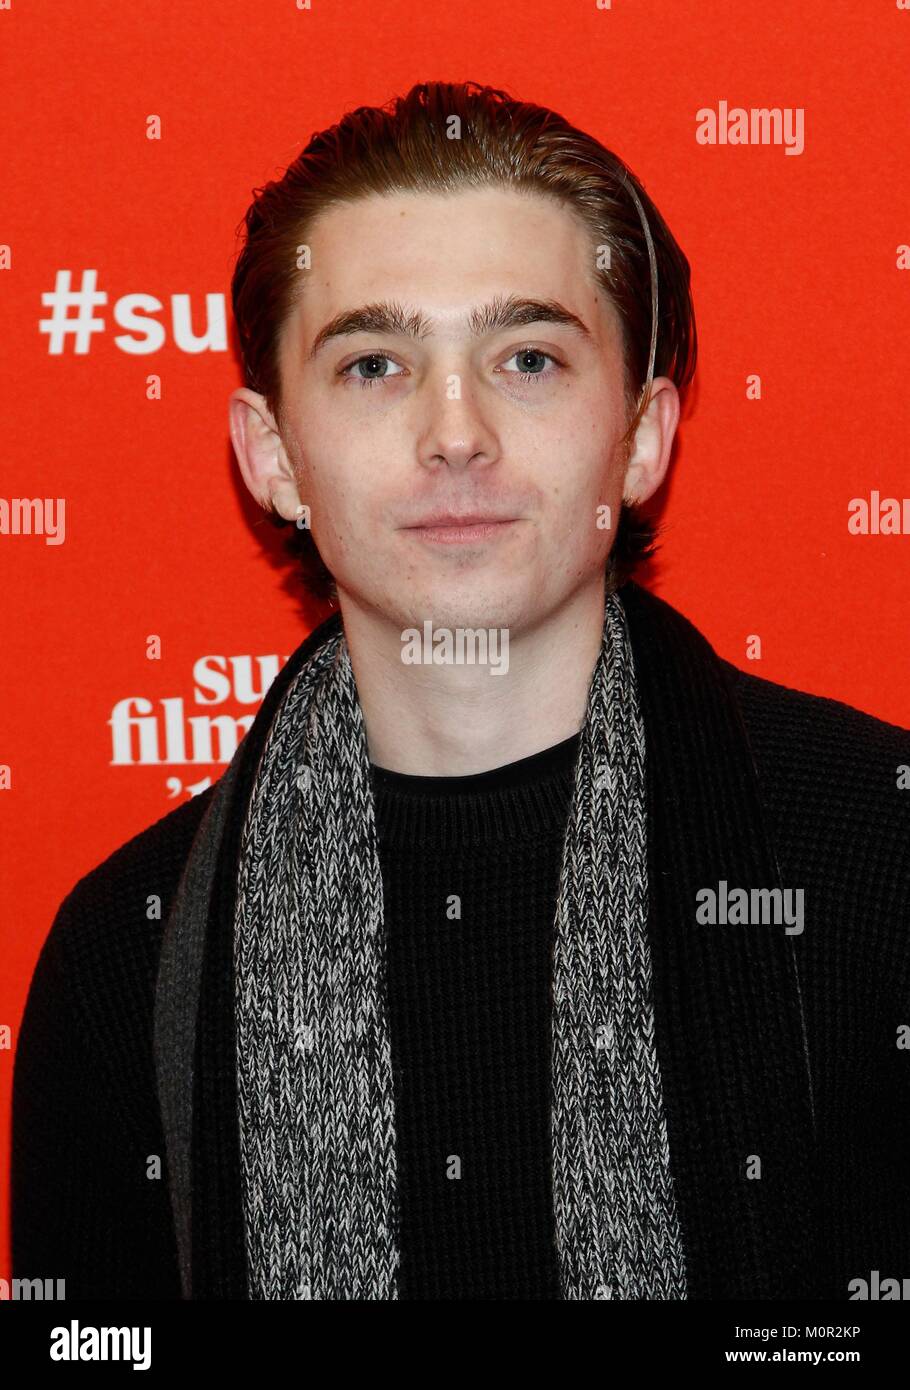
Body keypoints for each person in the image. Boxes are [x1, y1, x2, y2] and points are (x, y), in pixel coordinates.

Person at [12, 80, 910, 1302]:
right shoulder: (132, 945)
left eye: (528, 357)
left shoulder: (882, 855)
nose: (455, 432)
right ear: (273, 457)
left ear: (641, 437)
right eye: (375, 363)